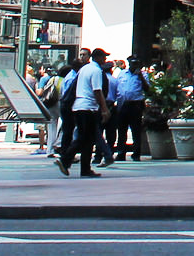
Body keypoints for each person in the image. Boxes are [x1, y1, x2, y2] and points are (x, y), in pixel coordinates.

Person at [56, 48, 110, 178]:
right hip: (88, 107)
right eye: (103, 57)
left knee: (87, 138)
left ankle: (85, 168)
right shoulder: (96, 71)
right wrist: (104, 109)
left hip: (79, 106)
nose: (105, 60)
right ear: (97, 58)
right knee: (84, 137)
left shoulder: (84, 69)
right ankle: (65, 159)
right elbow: (97, 90)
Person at [108, 59, 147, 161]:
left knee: (136, 130)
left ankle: (136, 153)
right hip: (123, 104)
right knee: (121, 130)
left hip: (136, 104)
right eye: (132, 63)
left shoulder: (143, 75)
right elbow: (118, 87)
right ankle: (121, 153)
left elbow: (148, 89)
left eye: (136, 63)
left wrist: (140, 77)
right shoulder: (122, 73)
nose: (134, 65)